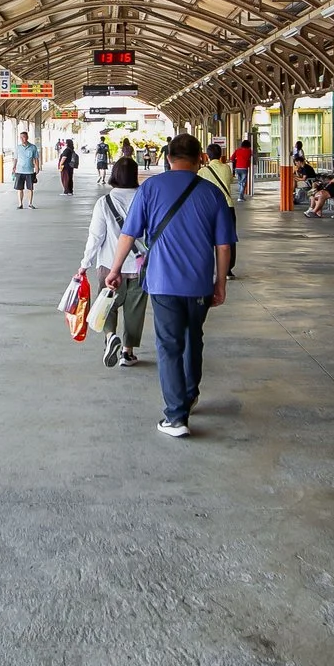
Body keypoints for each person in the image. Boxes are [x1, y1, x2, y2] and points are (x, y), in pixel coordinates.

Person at [104, 133, 235, 439]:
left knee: (169, 345)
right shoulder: (212, 194)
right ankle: (189, 397)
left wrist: (114, 270)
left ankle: (176, 416)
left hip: (162, 283)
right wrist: (220, 284)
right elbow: (224, 247)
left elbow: (128, 234)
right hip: (200, 283)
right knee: (194, 338)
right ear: (200, 157)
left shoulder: (151, 188)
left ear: (167, 158)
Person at [78, 157, 149, 368]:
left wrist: (85, 264)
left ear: (114, 175)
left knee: (107, 303)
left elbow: (95, 237)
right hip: (139, 265)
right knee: (135, 309)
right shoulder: (145, 199)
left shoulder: (104, 203)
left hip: (110, 265)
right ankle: (127, 352)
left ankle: (110, 337)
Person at [201, 142, 241, 278]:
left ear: (207, 156)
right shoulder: (226, 168)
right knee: (228, 238)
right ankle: (228, 270)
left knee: (206, 237)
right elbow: (229, 181)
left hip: (209, 209)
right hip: (227, 206)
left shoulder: (202, 171)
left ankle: (207, 267)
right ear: (221, 155)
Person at [12, 130, 41, 210]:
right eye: (20, 137)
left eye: (23, 137)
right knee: (20, 189)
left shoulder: (33, 147)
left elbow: (36, 158)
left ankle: (30, 204)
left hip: (30, 171)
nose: (22, 139)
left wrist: (37, 167)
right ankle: (20, 204)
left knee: (30, 188)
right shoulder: (18, 147)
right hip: (19, 170)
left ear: (27, 137)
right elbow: (15, 158)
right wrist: (14, 167)